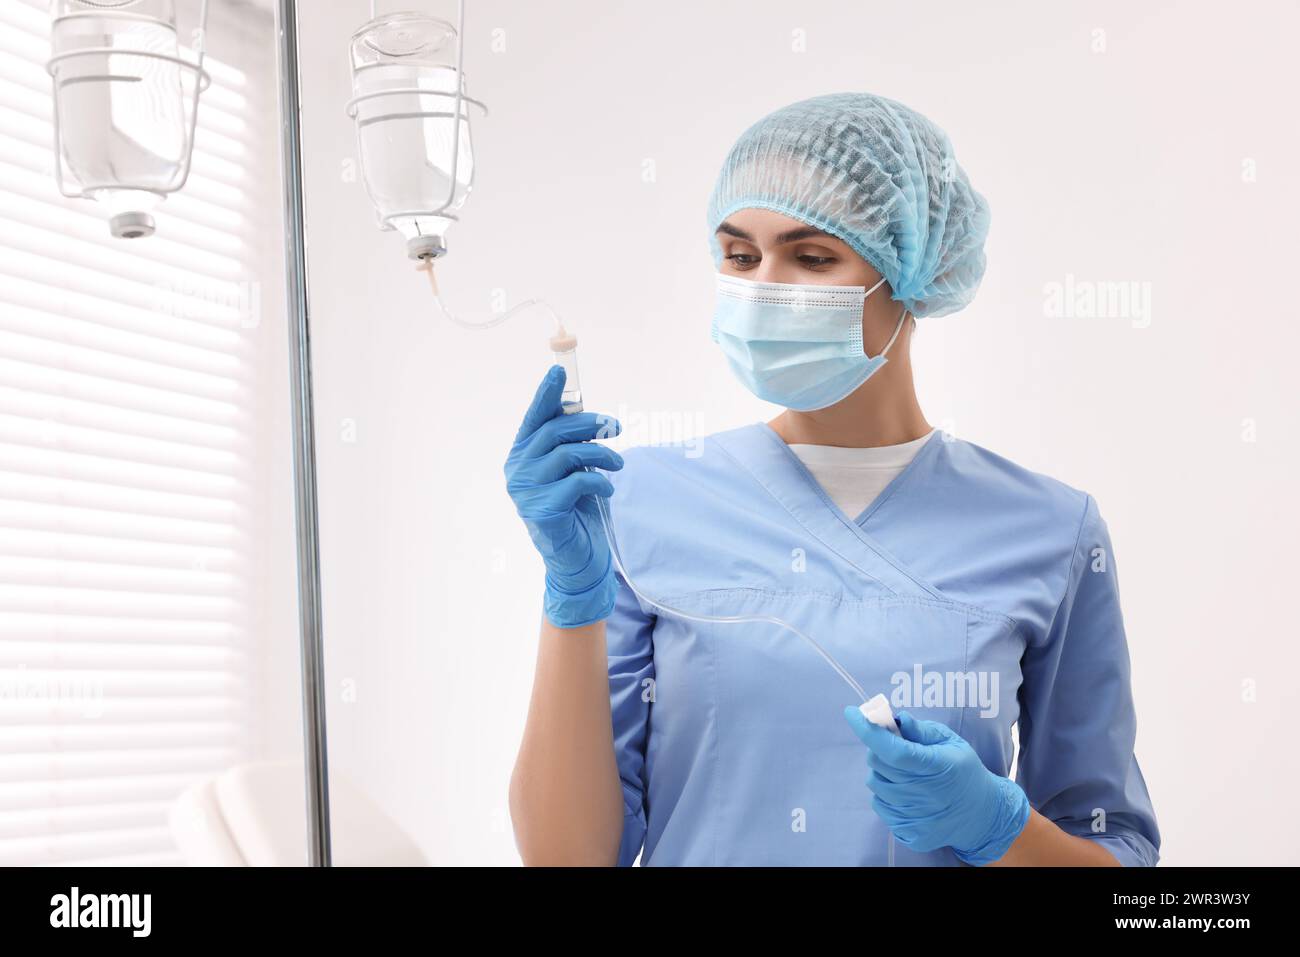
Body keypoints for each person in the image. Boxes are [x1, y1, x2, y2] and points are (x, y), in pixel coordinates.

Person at [505, 92, 1161, 866]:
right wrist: (571, 598)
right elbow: (567, 859)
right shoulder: (636, 502)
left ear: (913, 271)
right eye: (740, 256)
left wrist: (999, 827)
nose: (765, 287)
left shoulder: (1051, 532)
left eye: (813, 257)